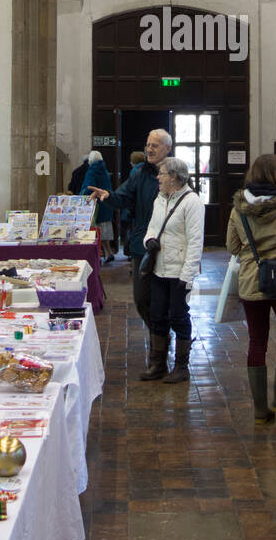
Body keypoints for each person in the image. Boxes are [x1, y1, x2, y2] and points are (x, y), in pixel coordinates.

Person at [226, 154, 276, 424]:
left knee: (257, 340)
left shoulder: (239, 206)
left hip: (251, 278)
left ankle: (261, 410)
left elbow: (232, 246)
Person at [90, 129, 171, 326]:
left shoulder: (176, 173)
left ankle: (159, 341)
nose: (149, 150)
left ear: (167, 149)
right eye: (148, 145)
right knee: (141, 298)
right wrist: (108, 196)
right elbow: (123, 197)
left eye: (155, 145)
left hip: (169, 245)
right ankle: (157, 332)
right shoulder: (140, 173)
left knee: (165, 299)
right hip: (141, 244)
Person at [140, 157, 205, 383]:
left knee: (178, 316)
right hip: (159, 268)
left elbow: (196, 242)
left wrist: (187, 276)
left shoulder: (192, 202)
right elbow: (152, 228)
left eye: (162, 173)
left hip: (180, 272)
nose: (158, 177)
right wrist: (148, 241)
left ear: (174, 177)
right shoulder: (160, 198)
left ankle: (181, 366)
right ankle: (157, 364)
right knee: (157, 315)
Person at [80, 150, 116, 263]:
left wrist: (83, 192)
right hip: (106, 204)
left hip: (96, 206)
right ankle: (109, 252)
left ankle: (98, 256)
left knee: (96, 232)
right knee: (105, 231)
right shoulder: (104, 171)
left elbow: (89, 188)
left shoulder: (91, 172)